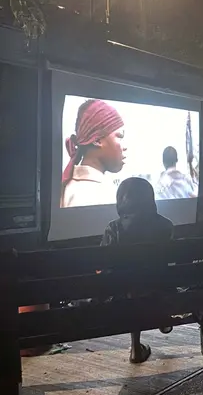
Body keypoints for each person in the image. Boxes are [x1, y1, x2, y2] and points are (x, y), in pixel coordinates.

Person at [101, 177, 174, 364]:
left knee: (130, 288)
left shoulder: (114, 229)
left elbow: (105, 271)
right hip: (159, 295)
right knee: (154, 281)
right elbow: (171, 265)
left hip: (124, 300)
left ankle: (135, 348)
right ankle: (162, 317)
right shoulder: (166, 226)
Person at [62, 99, 127, 208]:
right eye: (119, 136)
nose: (125, 146)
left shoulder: (75, 188)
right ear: (97, 140)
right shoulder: (94, 194)